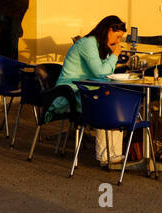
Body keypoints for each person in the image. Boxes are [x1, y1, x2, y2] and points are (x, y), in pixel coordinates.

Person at [45, 15, 128, 167]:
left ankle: (114, 153)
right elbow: (100, 73)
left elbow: (102, 74)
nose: (118, 42)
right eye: (117, 37)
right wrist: (114, 55)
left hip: (85, 89)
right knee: (106, 106)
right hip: (69, 93)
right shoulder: (88, 44)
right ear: (109, 30)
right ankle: (105, 156)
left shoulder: (98, 45)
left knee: (117, 104)